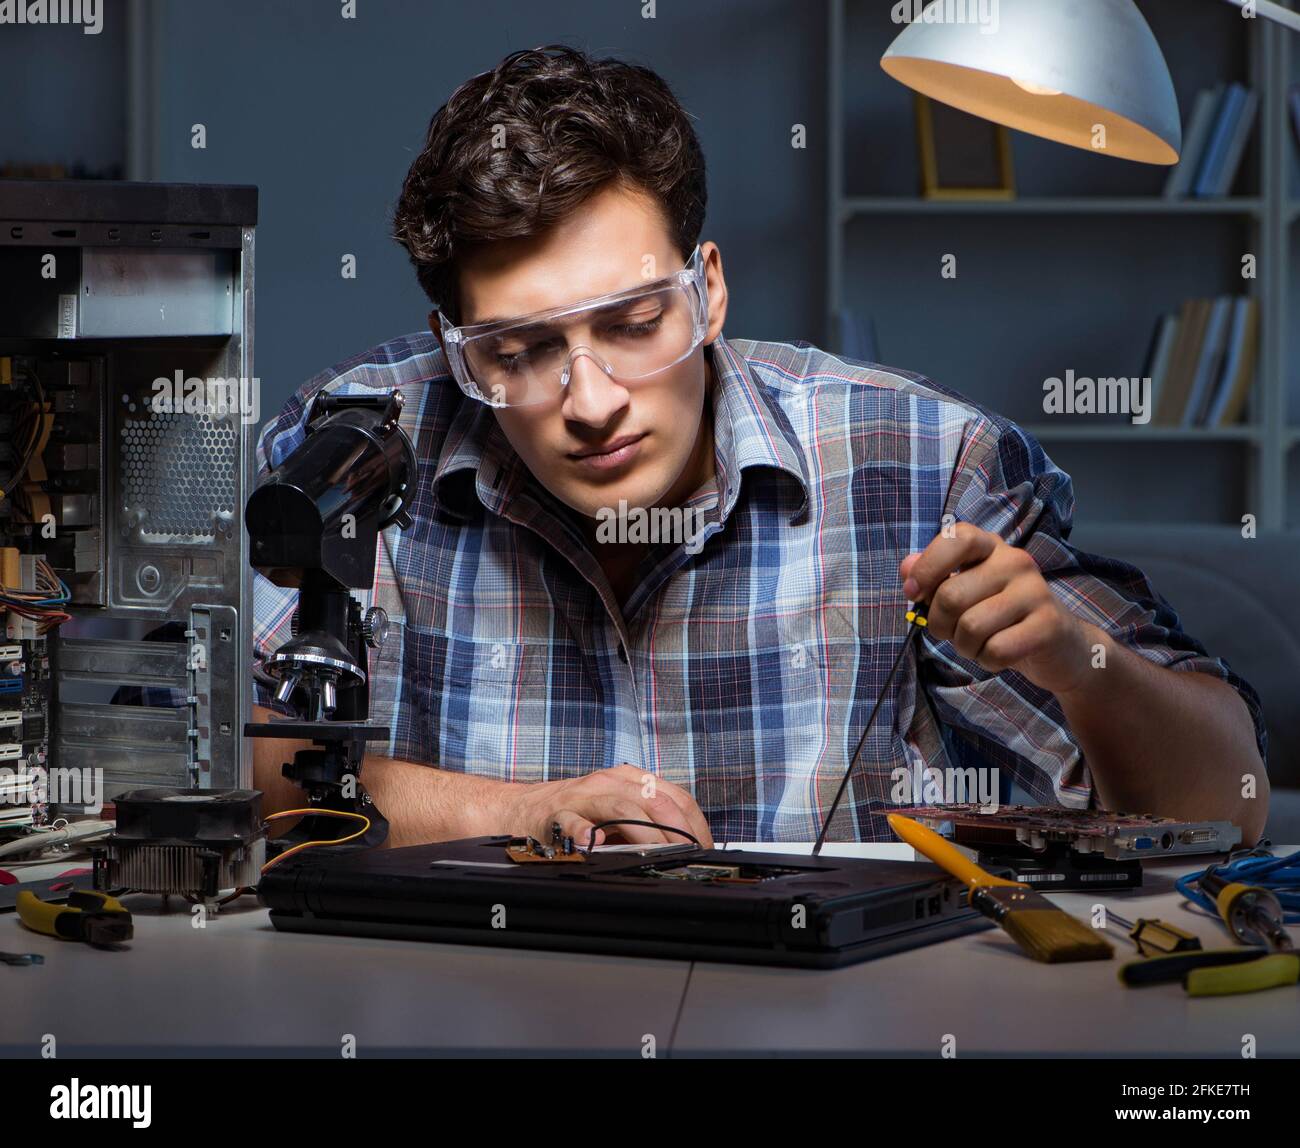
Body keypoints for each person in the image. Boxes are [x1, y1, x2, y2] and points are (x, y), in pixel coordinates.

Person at [251, 44, 1268, 849]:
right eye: (519, 350)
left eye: (635, 324)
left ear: (709, 291)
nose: (592, 401)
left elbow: (1229, 802)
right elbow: (219, 763)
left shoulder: (920, 460)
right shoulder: (356, 446)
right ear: (454, 351)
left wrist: (1074, 658)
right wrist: (519, 812)